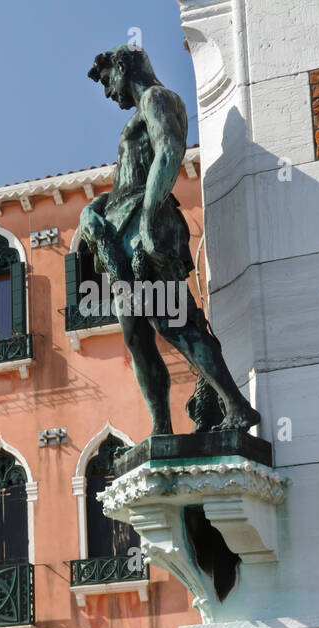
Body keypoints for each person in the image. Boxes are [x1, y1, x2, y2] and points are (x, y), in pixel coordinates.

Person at [78, 44, 260, 435]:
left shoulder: (156, 99)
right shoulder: (143, 108)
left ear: (122, 67)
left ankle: (237, 407)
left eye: (108, 81)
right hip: (126, 231)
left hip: (149, 226)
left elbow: (169, 151)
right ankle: (161, 428)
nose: (110, 94)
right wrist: (93, 208)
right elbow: (127, 182)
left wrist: (146, 222)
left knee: (171, 321)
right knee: (137, 337)